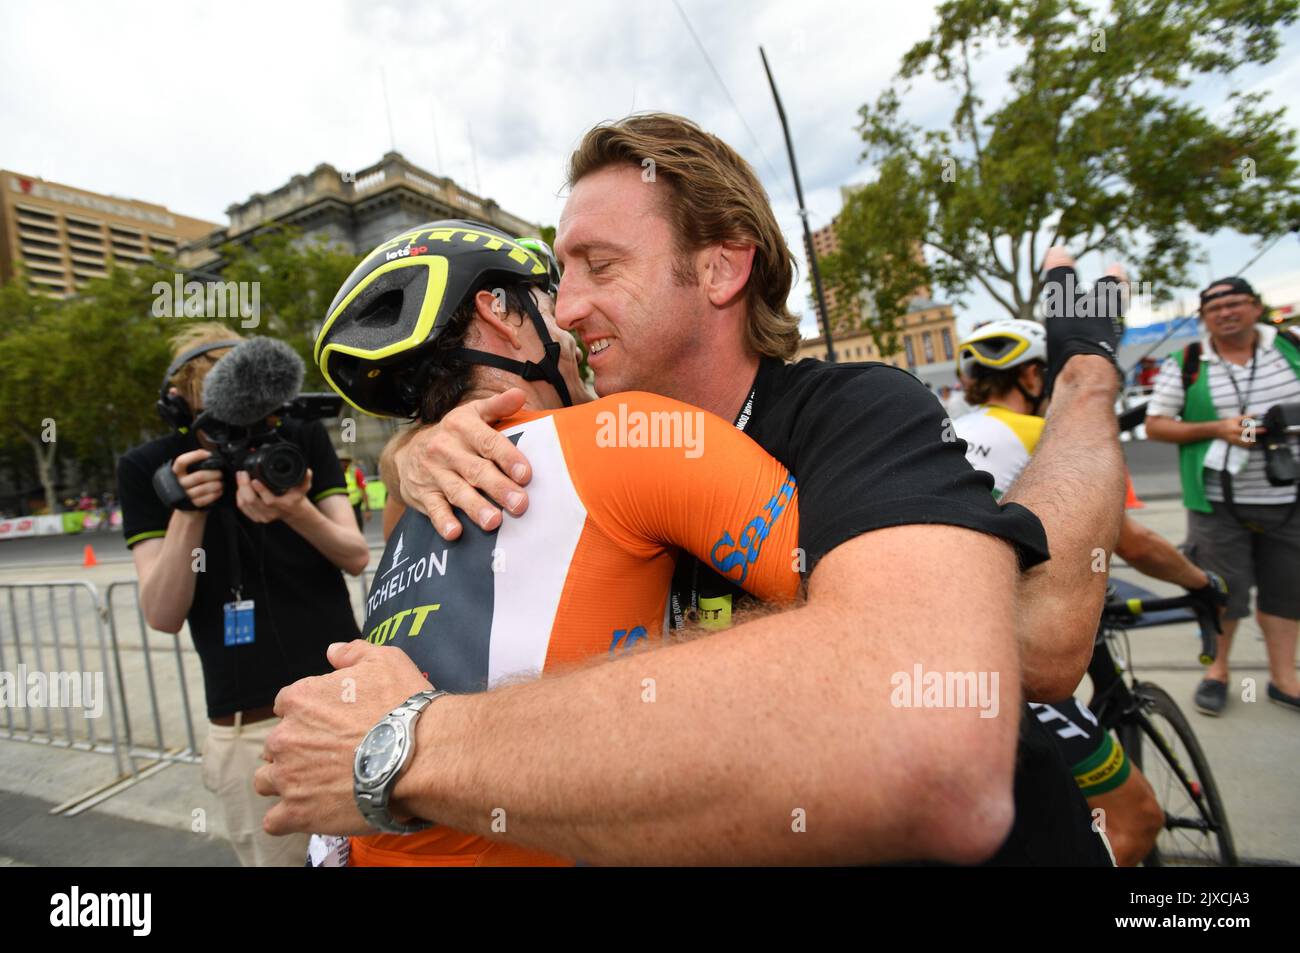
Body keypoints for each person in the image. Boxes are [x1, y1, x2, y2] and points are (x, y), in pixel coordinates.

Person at [258, 113, 1128, 865]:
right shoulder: (572, 451)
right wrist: (420, 447)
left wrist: (406, 744)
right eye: (560, 280)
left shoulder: (850, 408)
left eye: (599, 266)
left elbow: (1016, 654)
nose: (564, 311)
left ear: (720, 269)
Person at [303, 219, 812, 866]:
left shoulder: (411, 509)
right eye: (548, 301)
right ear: (499, 311)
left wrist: (402, 452)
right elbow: (858, 623)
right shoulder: (636, 435)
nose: (571, 331)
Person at [951, 287, 1227, 866]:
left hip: (948, 638)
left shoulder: (952, 425)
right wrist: (1200, 584)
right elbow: (1139, 545)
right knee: (1137, 819)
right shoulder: (1041, 440)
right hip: (1007, 654)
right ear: (1034, 377)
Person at [116, 322, 370, 866]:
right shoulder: (147, 470)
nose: (244, 434)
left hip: (349, 703)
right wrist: (188, 512)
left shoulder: (298, 439)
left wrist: (295, 510)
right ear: (182, 411)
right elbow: (161, 614)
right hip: (251, 729)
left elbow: (354, 554)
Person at [1145, 277, 1300, 716]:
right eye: (1216, 308)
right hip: (1216, 502)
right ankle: (1217, 672)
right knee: (1220, 592)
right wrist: (1219, 428)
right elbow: (1156, 424)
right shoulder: (1188, 362)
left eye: (1235, 304)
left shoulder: (1290, 347)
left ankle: (1284, 677)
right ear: (1204, 319)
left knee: (1287, 592)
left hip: (1289, 497)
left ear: (1255, 307)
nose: (1227, 313)